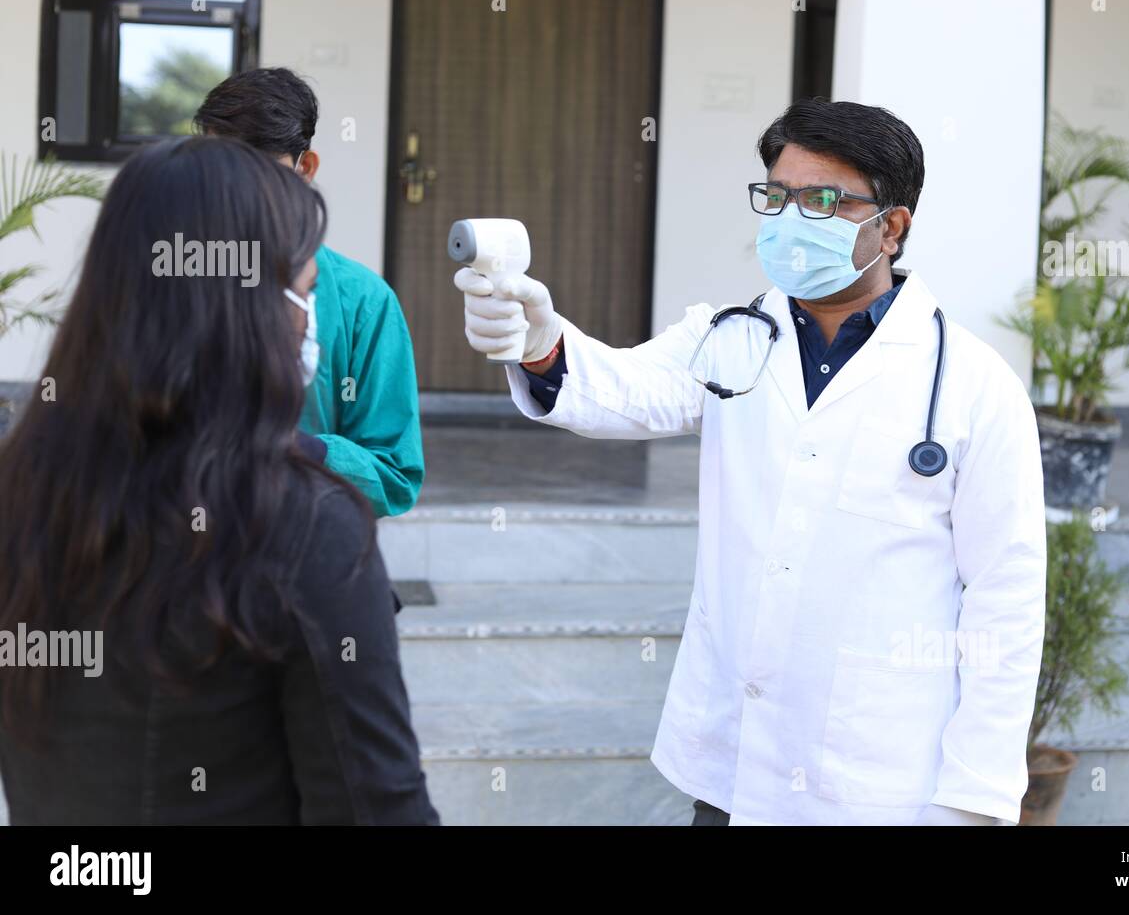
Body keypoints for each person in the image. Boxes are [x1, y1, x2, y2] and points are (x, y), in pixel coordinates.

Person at [454, 100, 1047, 826]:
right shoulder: (730, 337)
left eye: (822, 200)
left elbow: (1006, 601)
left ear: (890, 227)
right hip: (733, 769)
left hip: (882, 781)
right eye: (777, 197)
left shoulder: (975, 386)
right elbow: (624, 390)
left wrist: (973, 800)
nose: (790, 219)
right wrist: (539, 342)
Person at [0, 137, 438, 825]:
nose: (308, 322)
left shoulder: (26, 490)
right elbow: (376, 806)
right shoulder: (307, 528)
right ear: (247, 308)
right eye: (304, 292)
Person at [194, 67, 424, 518]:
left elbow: (393, 477)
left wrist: (294, 448)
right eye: (217, 166)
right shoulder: (177, 276)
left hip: (304, 548)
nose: (232, 191)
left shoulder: (362, 302)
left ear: (306, 168)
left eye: (255, 170)